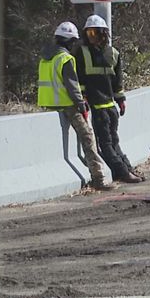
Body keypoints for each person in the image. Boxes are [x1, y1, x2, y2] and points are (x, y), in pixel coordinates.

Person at [37, 22, 111, 191]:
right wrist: (81, 105)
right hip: (67, 105)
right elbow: (72, 86)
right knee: (87, 136)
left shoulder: (44, 59)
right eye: (73, 42)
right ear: (69, 41)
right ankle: (98, 178)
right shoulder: (65, 59)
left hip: (47, 106)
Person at [74, 15, 143, 184]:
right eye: (89, 33)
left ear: (104, 34)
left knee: (106, 145)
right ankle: (127, 168)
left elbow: (117, 82)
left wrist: (121, 100)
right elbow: (83, 80)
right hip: (106, 107)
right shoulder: (108, 52)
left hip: (103, 108)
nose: (92, 37)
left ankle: (123, 171)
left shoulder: (103, 53)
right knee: (112, 141)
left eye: (95, 33)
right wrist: (119, 100)